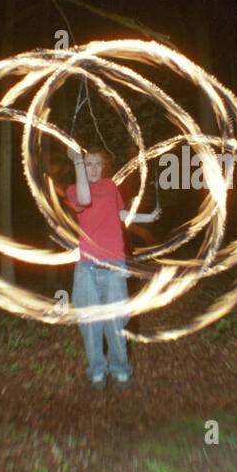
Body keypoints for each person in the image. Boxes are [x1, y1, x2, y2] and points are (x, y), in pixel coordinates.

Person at [66, 147, 160, 390]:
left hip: (114, 264)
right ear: (81, 167)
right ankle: (97, 371)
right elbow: (85, 201)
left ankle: (120, 370)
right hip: (87, 265)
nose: (93, 168)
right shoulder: (74, 189)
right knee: (90, 324)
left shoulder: (110, 186)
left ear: (103, 167)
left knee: (116, 322)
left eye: (97, 164)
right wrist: (77, 162)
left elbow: (120, 213)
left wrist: (147, 218)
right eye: (88, 164)